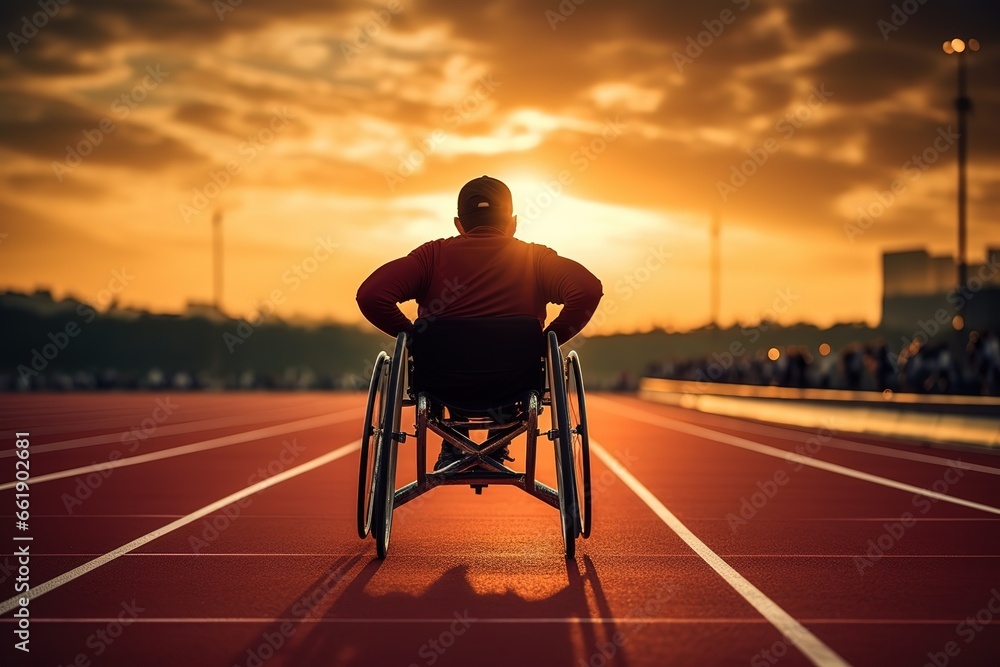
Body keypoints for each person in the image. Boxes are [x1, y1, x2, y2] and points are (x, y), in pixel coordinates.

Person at [356, 175, 603, 468]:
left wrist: (414, 338)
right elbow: (588, 290)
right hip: (516, 378)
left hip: (441, 381)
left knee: (446, 353)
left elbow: (371, 295)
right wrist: (548, 341)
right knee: (504, 362)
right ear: (513, 223)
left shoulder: (431, 257)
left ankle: (453, 441)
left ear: (459, 224)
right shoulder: (533, 259)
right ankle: (499, 436)